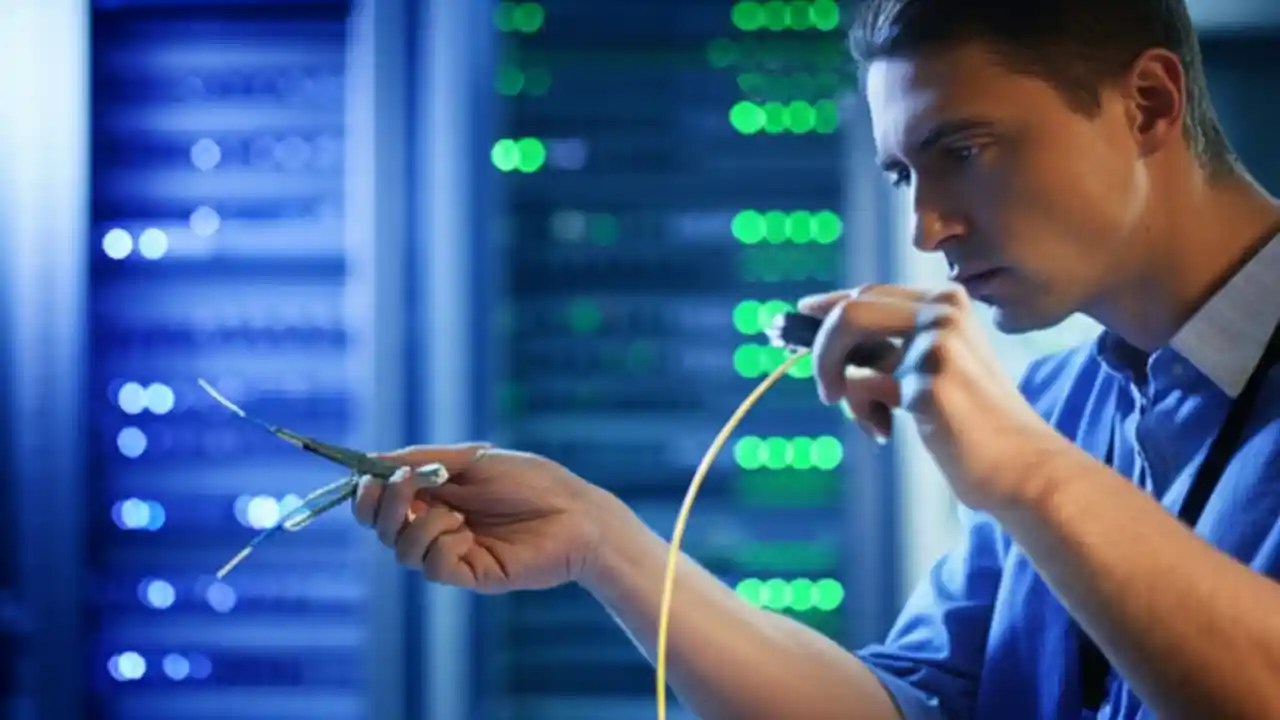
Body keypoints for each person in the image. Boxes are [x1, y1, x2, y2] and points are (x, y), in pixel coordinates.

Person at [352, 0, 1280, 717]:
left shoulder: (1031, 448)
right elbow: (902, 710)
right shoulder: (1062, 405)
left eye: (964, 149)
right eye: (903, 175)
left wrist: (1028, 475)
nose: (927, 231)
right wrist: (605, 545)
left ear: (1149, 104)